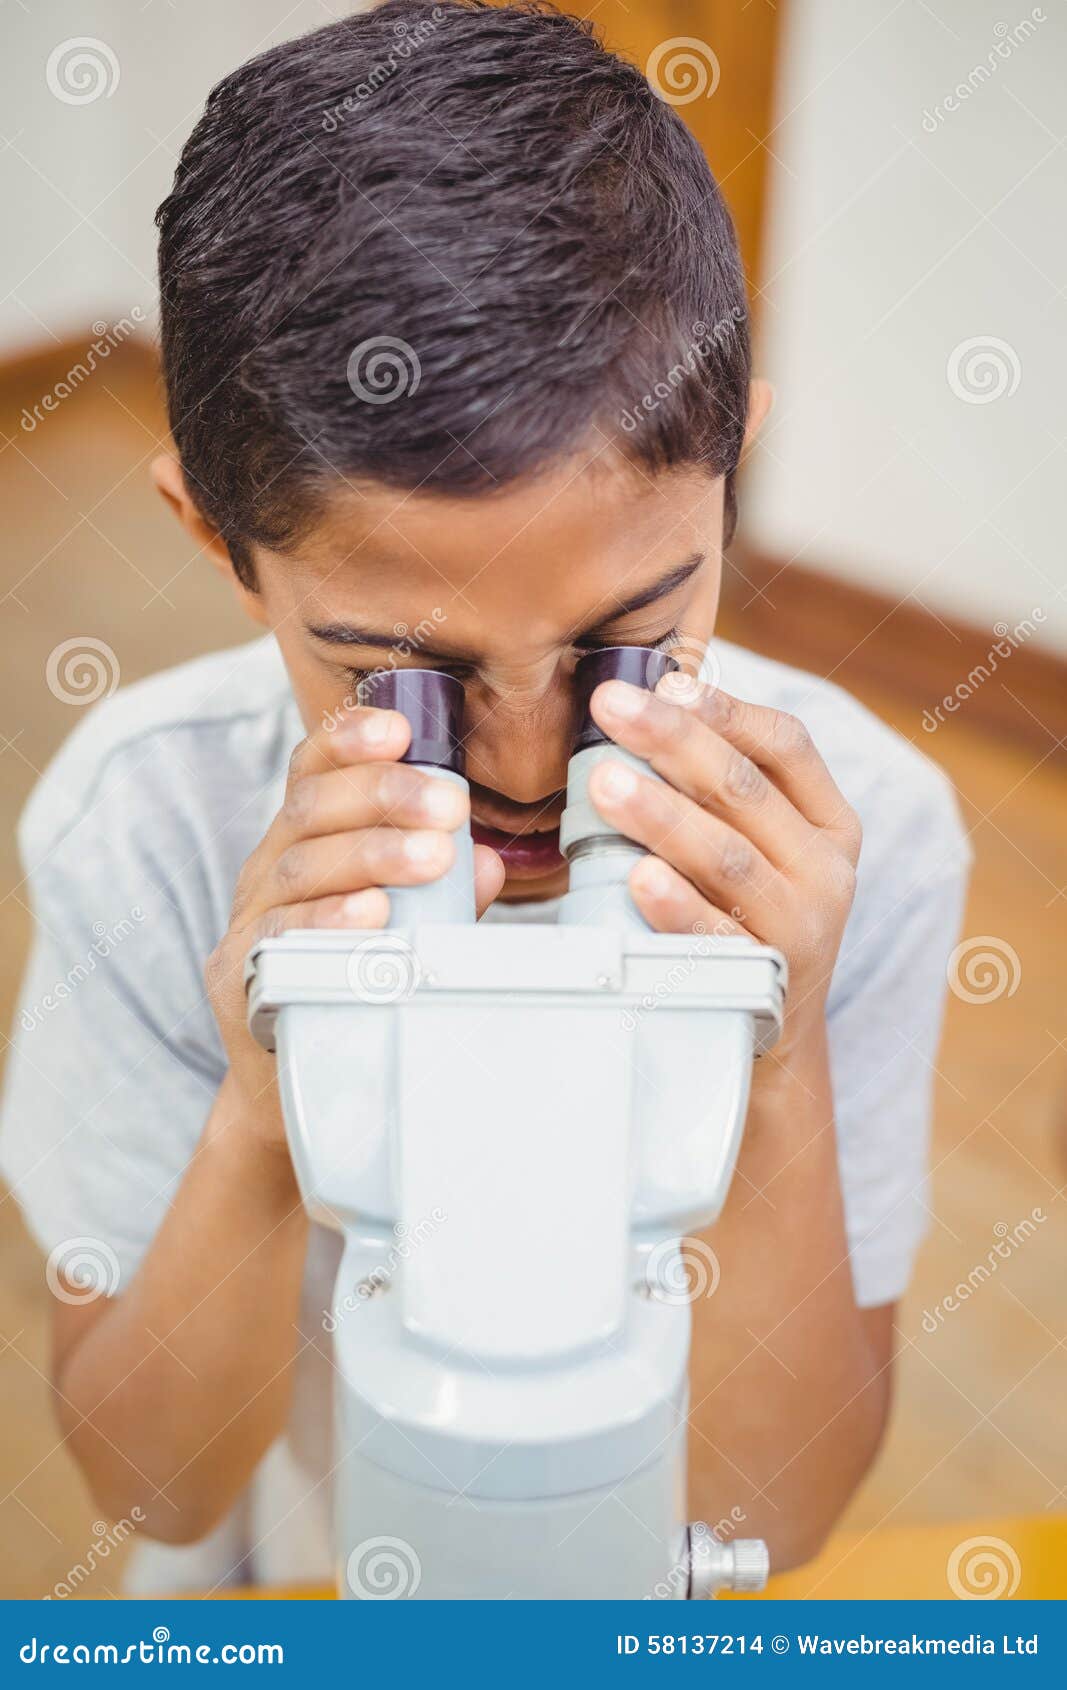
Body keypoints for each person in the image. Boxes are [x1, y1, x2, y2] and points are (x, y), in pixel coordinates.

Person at [1, 0, 969, 1593]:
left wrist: (776, 1069)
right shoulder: (148, 827)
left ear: (737, 472)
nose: (530, 768)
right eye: (403, 678)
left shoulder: (858, 836)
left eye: (631, 648)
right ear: (220, 546)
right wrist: (262, 1098)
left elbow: (766, 1517)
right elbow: (152, 1486)